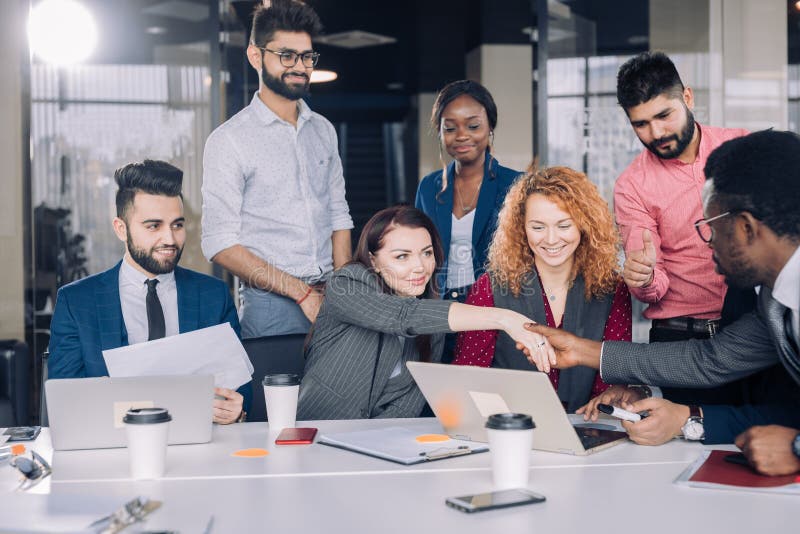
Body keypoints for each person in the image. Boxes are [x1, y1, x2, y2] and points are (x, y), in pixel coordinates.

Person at [526, 130, 800, 476]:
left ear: (746, 228)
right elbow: (711, 359)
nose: (707, 244)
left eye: (711, 228)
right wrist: (582, 350)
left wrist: (796, 447)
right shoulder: (773, 301)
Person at [297, 205, 553, 421]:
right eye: (402, 257)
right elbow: (403, 316)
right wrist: (504, 318)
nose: (420, 267)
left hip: (378, 443)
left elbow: (408, 405)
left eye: (427, 253)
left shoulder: (433, 320)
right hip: (317, 433)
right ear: (373, 261)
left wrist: (377, 445)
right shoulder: (347, 284)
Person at [48, 160, 251, 425]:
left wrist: (237, 411)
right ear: (121, 229)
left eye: (177, 225)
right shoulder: (76, 303)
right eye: (154, 226)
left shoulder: (214, 296)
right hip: (112, 444)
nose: (170, 239)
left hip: (200, 441)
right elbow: (66, 404)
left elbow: (241, 390)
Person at [201, 0, 353, 339]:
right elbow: (219, 243)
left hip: (331, 299)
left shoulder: (323, 130)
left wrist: (342, 288)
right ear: (256, 56)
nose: (300, 67)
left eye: (307, 56)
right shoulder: (229, 140)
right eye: (287, 55)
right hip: (270, 304)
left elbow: (338, 216)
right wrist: (300, 292)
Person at [452, 166, 632, 412]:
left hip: (586, 425)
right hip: (509, 424)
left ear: (584, 225)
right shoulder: (488, 288)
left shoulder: (613, 289)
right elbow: (469, 375)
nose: (551, 239)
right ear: (521, 228)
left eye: (563, 226)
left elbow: (613, 375)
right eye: (538, 227)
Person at [614, 51, 754, 345]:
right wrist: (644, 278)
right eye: (641, 124)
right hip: (679, 337)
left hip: (753, 328)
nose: (656, 133)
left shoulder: (740, 146)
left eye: (664, 115)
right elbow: (653, 284)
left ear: (687, 98)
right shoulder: (631, 186)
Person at [415, 80, 520, 302]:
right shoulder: (428, 187)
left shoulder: (516, 184)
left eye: (473, 126)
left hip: (496, 305)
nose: (461, 135)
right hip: (440, 306)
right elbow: (417, 251)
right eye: (450, 128)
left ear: (490, 127)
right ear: (440, 132)